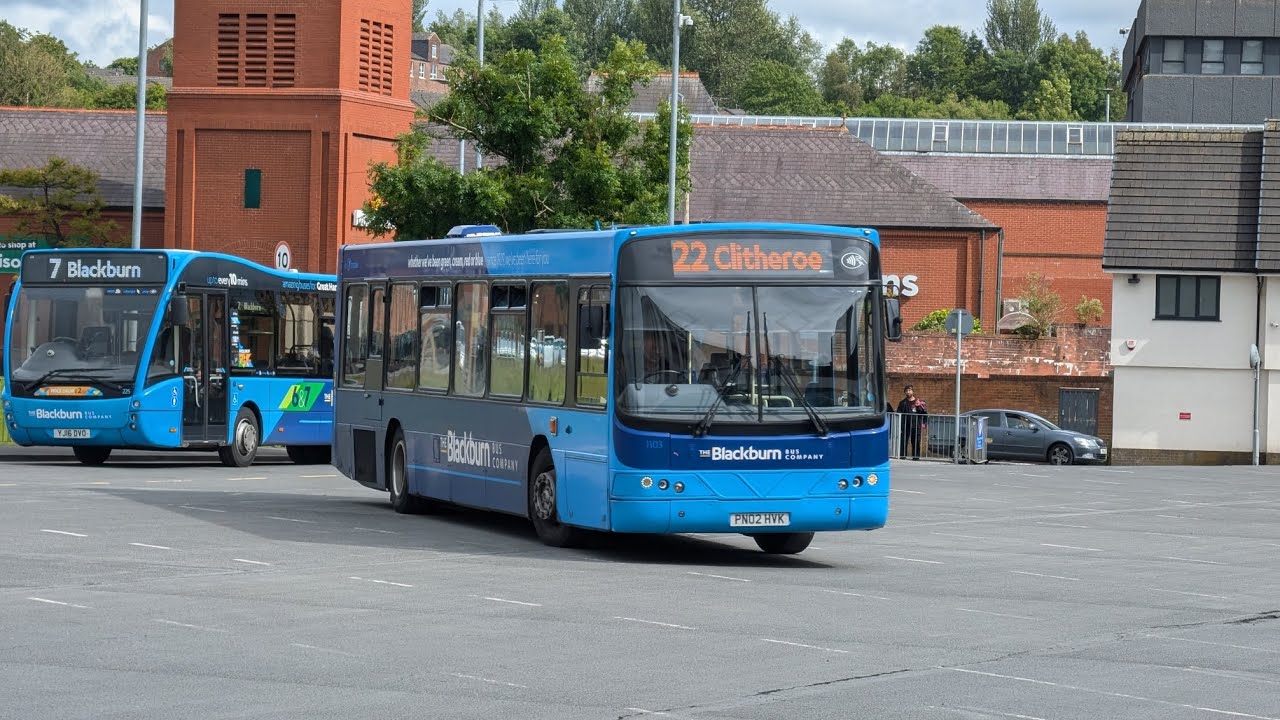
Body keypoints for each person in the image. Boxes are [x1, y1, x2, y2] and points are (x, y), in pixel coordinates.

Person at [896, 383, 928, 460]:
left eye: (910, 390)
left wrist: (924, 423)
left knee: (916, 441)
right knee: (903, 441)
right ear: (905, 392)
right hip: (905, 425)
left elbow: (924, 413)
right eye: (906, 391)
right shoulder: (902, 403)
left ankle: (916, 457)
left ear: (912, 392)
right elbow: (898, 413)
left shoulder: (918, 402)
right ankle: (902, 456)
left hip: (916, 425)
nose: (908, 392)